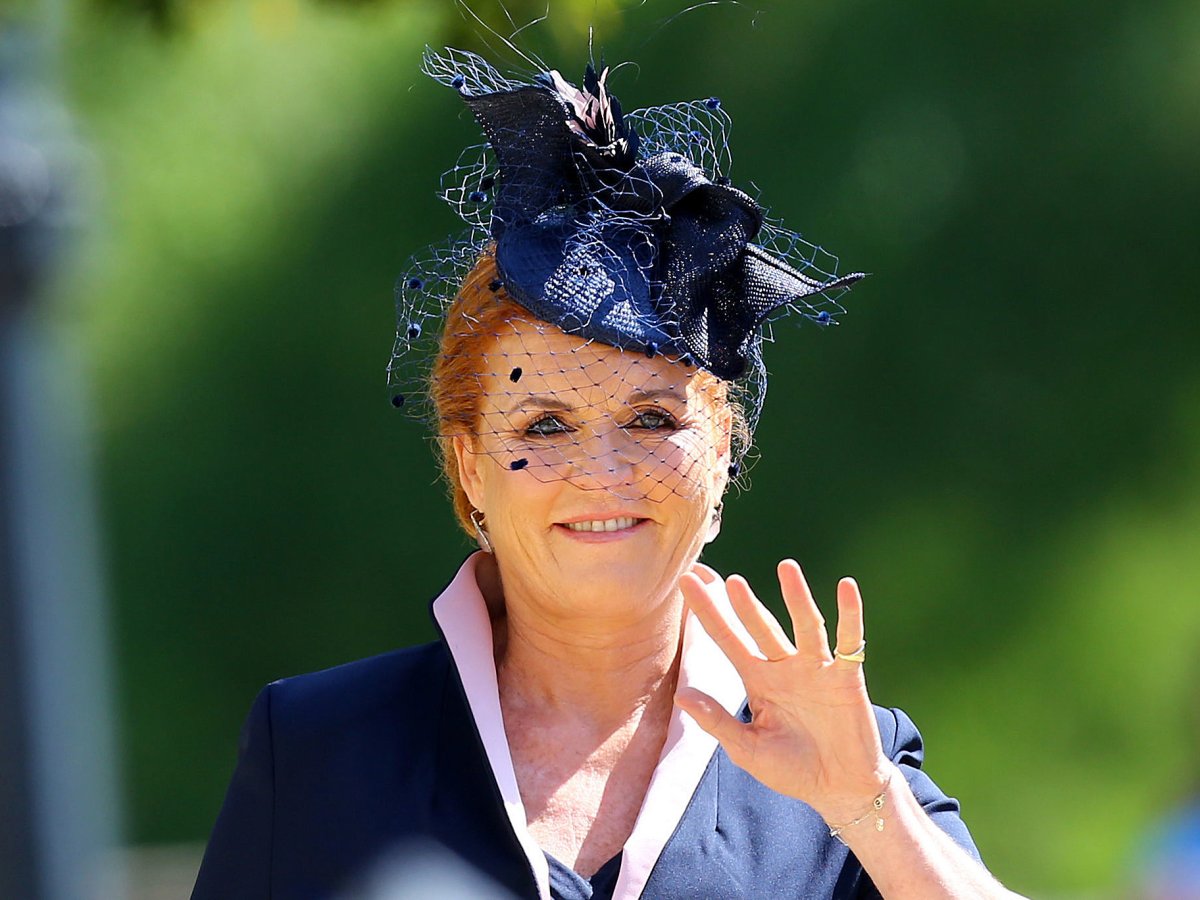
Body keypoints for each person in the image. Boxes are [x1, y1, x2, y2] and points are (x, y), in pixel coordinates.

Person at [192, 47, 1025, 900]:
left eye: (652, 419)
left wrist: (864, 805)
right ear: (469, 469)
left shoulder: (847, 757)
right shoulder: (317, 750)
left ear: (723, 452)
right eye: (546, 425)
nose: (603, 472)